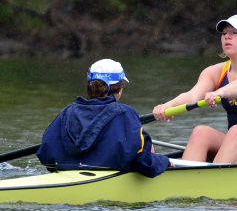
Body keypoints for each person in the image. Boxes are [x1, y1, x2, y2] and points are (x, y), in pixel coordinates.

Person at [153, 15, 237, 163]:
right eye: (224, 33)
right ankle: (188, 177)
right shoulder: (214, 72)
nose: (227, 37)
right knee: (200, 132)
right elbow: (192, 96)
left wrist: (220, 92)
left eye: (235, 32)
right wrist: (168, 105)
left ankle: (214, 176)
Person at [37, 59, 169, 177]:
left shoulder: (67, 112)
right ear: (119, 88)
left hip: (66, 177)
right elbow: (145, 163)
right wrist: (164, 161)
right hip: (108, 181)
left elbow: (46, 154)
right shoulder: (125, 113)